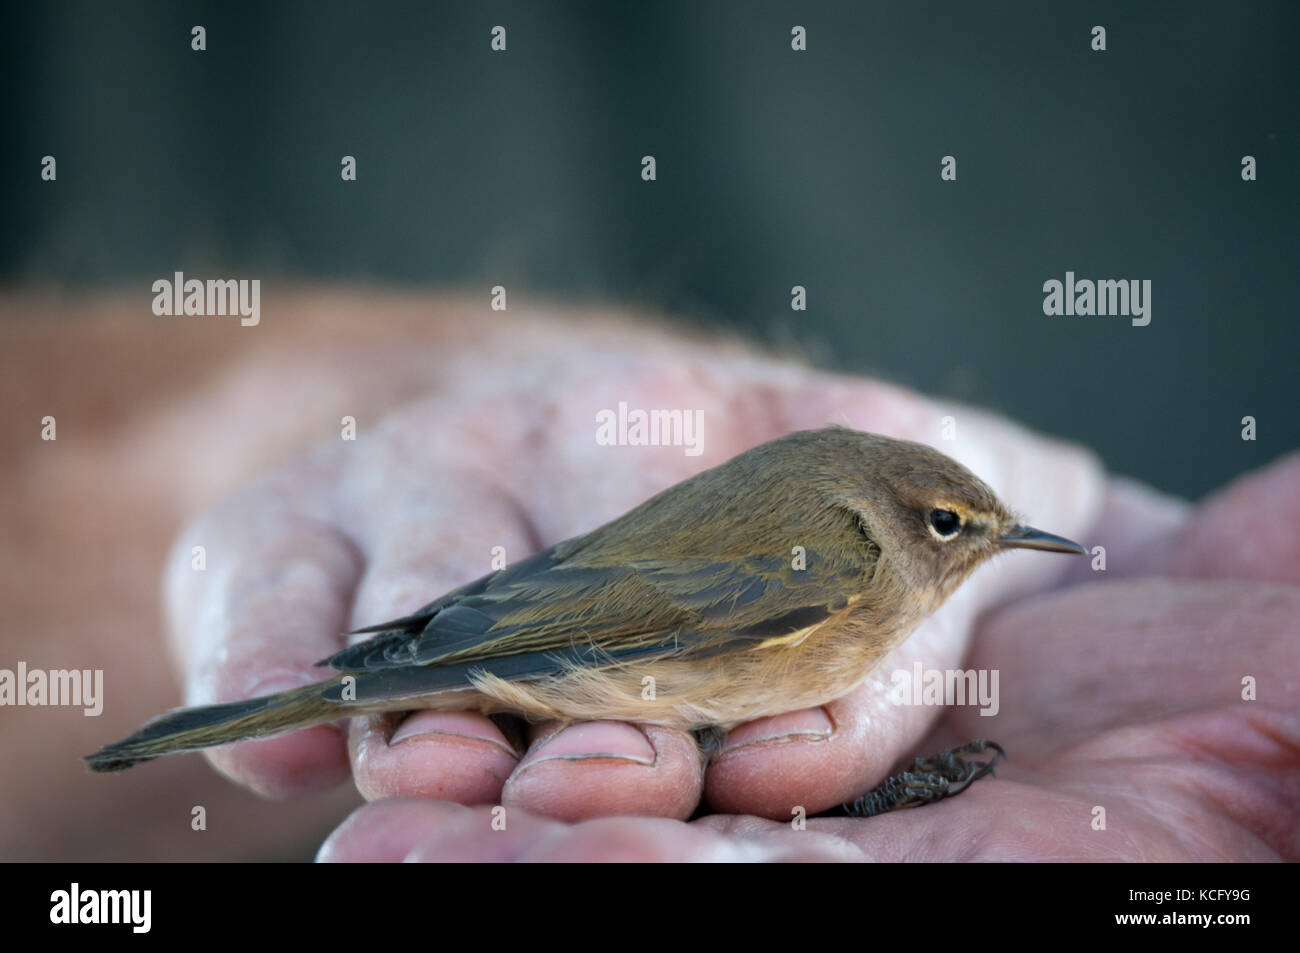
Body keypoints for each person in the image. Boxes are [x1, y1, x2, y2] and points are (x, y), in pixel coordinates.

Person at [6, 290, 1295, 860]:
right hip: (569, 644)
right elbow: (629, 610)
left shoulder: (845, 520)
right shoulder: (846, 561)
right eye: (959, 529)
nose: (977, 546)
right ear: (897, 522)